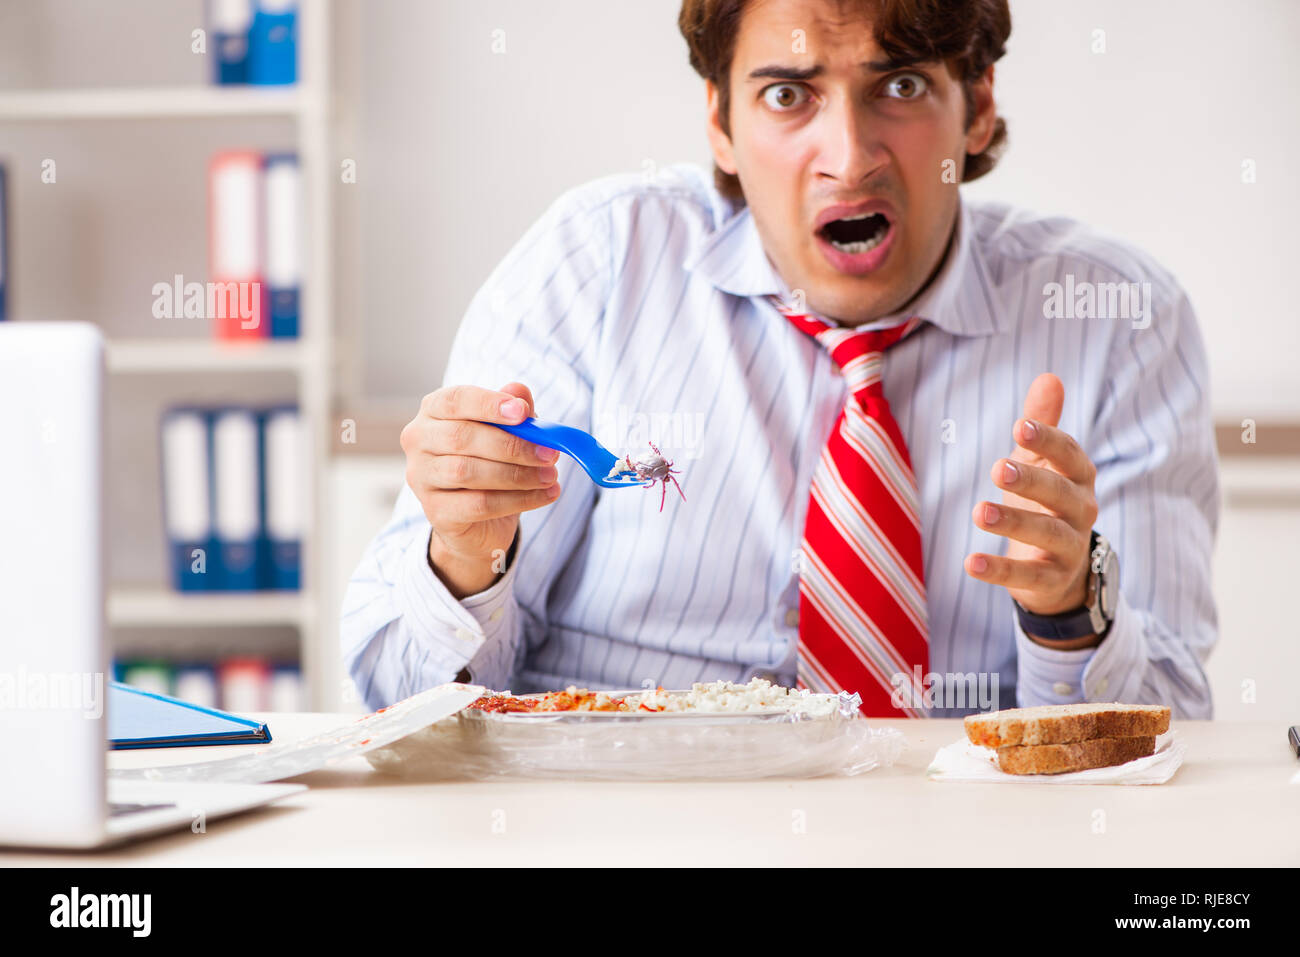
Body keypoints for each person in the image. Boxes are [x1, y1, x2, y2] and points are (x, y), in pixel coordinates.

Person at [342, 0, 1218, 718]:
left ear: (978, 106)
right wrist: (464, 562)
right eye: (789, 96)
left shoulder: (1119, 320)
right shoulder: (596, 262)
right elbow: (393, 699)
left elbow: (1176, 725)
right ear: (720, 123)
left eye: (901, 85)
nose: (849, 158)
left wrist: (1070, 611)